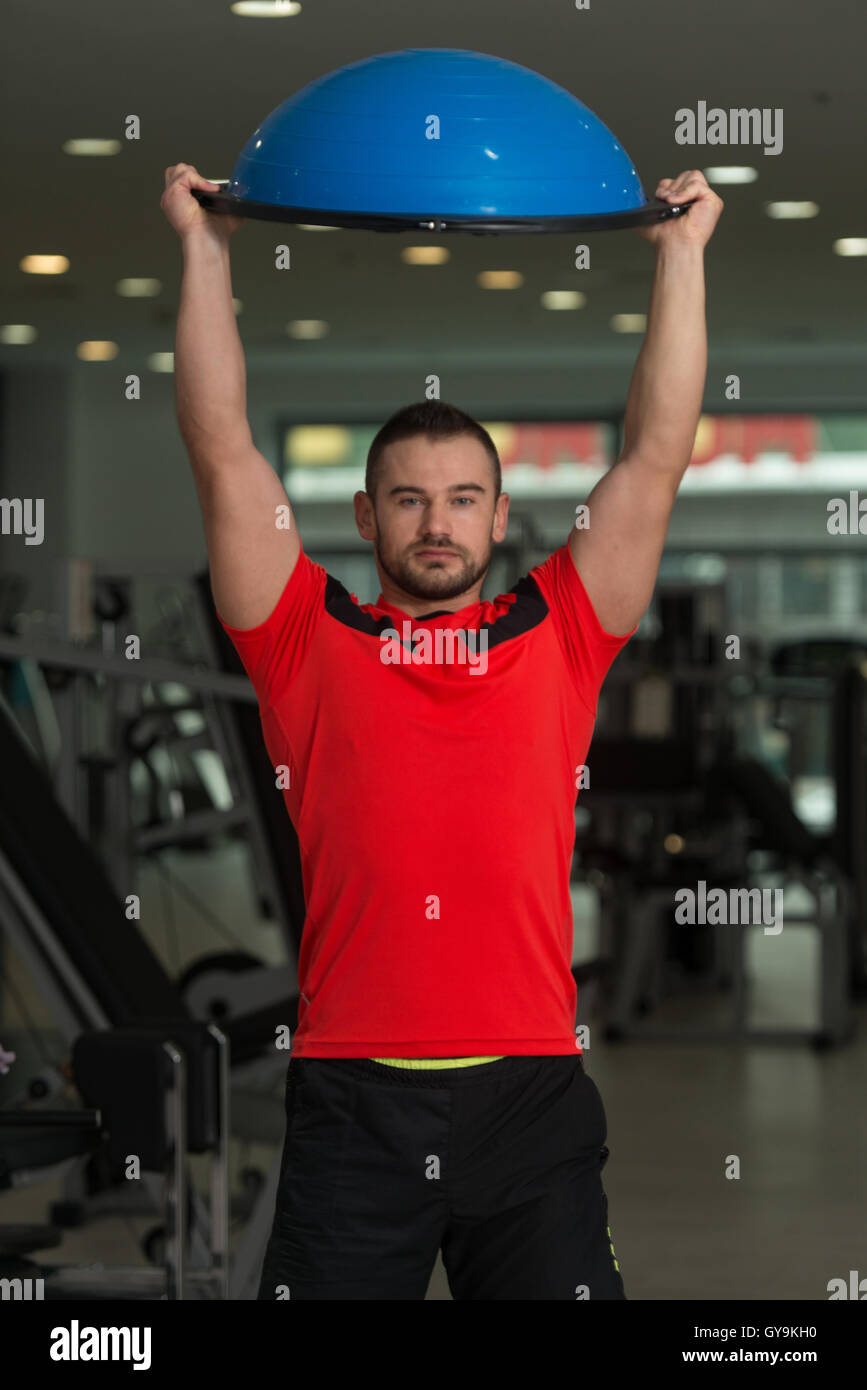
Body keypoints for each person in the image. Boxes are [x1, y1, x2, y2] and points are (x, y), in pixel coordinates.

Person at [161, 163, 723, 1299]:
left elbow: (656, 456)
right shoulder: (303, 639)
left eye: (463, 496)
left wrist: (683, 256)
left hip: (531, 1098)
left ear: (500, 516)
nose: (436, 521)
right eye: (409, 498)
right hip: (353, 1099)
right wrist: (205, 248)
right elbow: (223, 452)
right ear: (367, 516)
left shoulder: (560, 630)